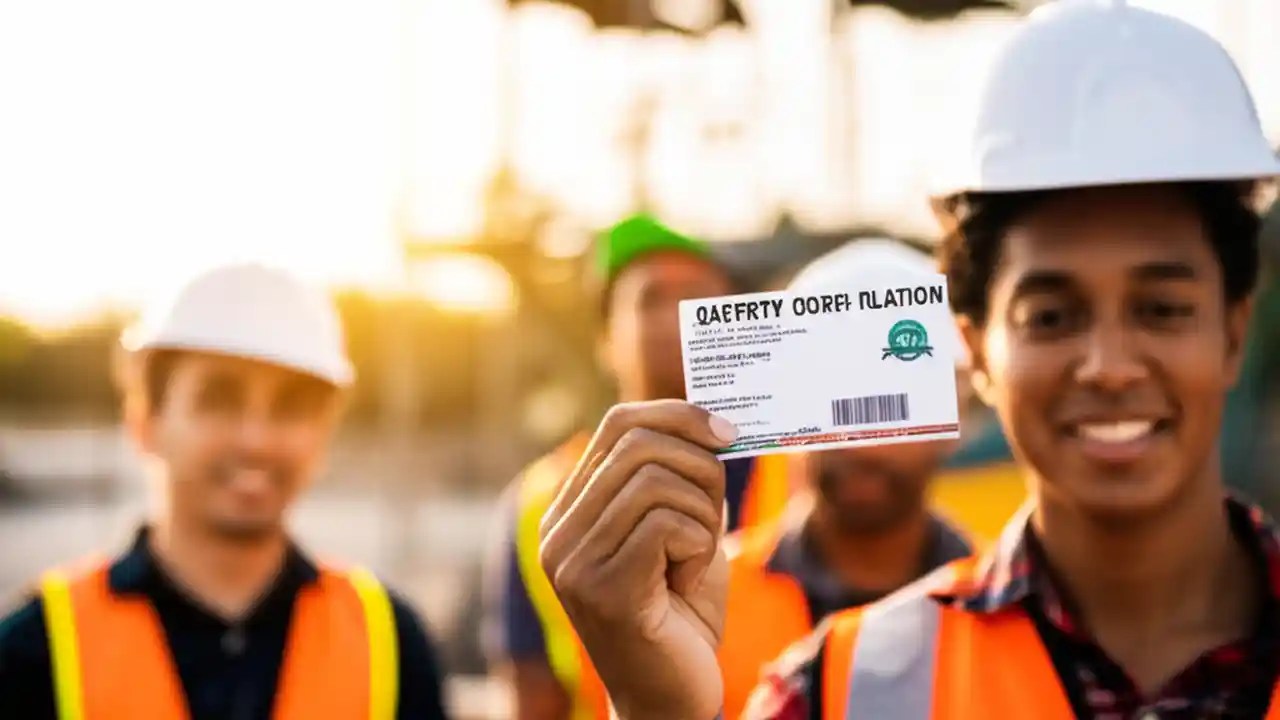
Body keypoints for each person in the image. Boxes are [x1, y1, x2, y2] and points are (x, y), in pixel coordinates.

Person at [535, 1, 1280, 718]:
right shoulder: (837, 690)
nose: (1110, 366)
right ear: (977, 347)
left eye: (1162, 310)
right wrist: (659, 710)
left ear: (1234, 330)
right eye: (1050, 316)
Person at [0, 263, 449, 719]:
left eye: (291, 406)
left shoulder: (389, 642)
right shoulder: (35, 649)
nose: (256, 440)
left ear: (324, 435)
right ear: (145, 424)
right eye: (218, 399)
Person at [483, 215, 795, 720]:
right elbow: (534, 698)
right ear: (606, 341)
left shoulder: (804, 474)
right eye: (651, 298)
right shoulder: (540, 504)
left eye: (698, 297)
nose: (679, 317)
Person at [715, 237, 973, 720]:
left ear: (956, 413)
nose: (860, 439)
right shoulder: (705, 603)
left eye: (896, 399)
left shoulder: (1008, 609)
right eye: (833, 397)